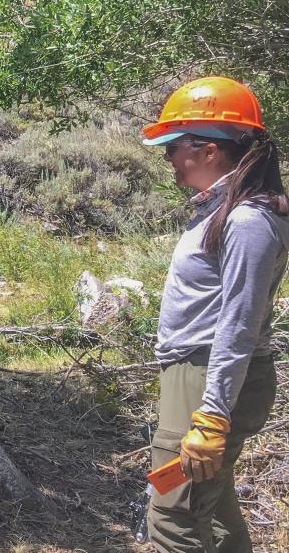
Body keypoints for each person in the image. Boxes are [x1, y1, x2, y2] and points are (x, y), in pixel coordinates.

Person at [141, 76, 286, 552]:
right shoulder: (227, 210)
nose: (168, 159)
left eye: (173, 147)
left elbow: (238, 325)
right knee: (214, 510)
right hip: (200, 374)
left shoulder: (248, 220)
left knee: (173, 514)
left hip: (208, 379)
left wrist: (213, 415)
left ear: (209, 151)